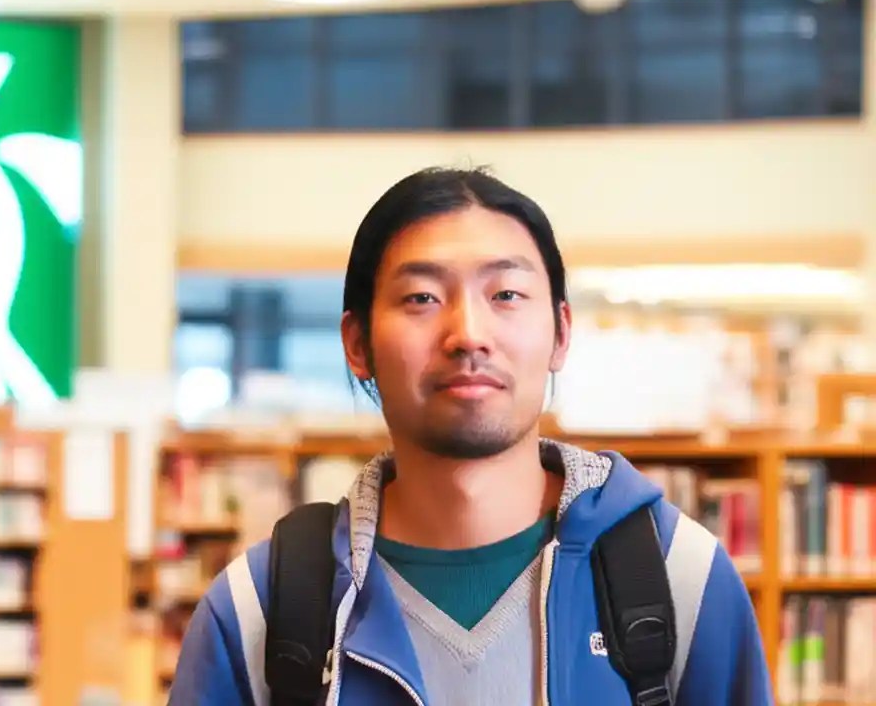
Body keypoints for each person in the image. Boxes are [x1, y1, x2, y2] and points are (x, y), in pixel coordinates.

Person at [167, 167, 772, 705]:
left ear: (561, 333)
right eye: (422, 297)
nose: (468, 333)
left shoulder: (679, 581)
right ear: (357, 345)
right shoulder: (258, 613)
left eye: (506, 294)